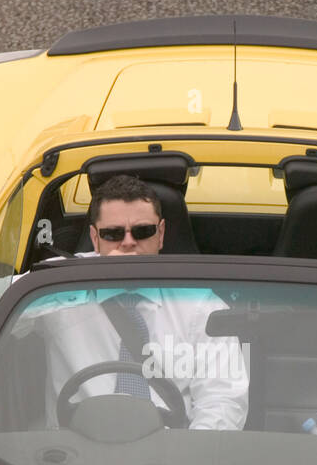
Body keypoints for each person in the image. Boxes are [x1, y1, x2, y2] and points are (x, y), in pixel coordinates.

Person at [31, 174, 249, 431]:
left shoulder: (200, 304)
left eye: (143, 231)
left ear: (161, 234)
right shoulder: (57, 285)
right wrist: (75, 281)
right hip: (72, 455)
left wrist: (188, 458)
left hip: (168, 456)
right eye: (112, 234)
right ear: (95, 237)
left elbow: (223, 400)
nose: (128, 242)